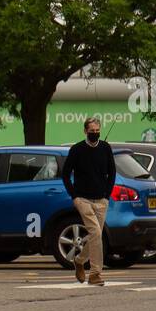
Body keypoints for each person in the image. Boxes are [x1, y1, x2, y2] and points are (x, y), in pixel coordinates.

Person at [62, 117, 116, 286]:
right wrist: (74, 196)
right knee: (95, 233)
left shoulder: (105, 148)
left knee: (95, 235)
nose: (95, 134)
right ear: (85, 131)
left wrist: (107, 196)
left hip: (101, 200)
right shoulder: (77, 150)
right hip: (83, 199)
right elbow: (65, 174)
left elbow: (112, 173)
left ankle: (79, 260)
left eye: (97, 131)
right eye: (91, 131)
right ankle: (95, 274)